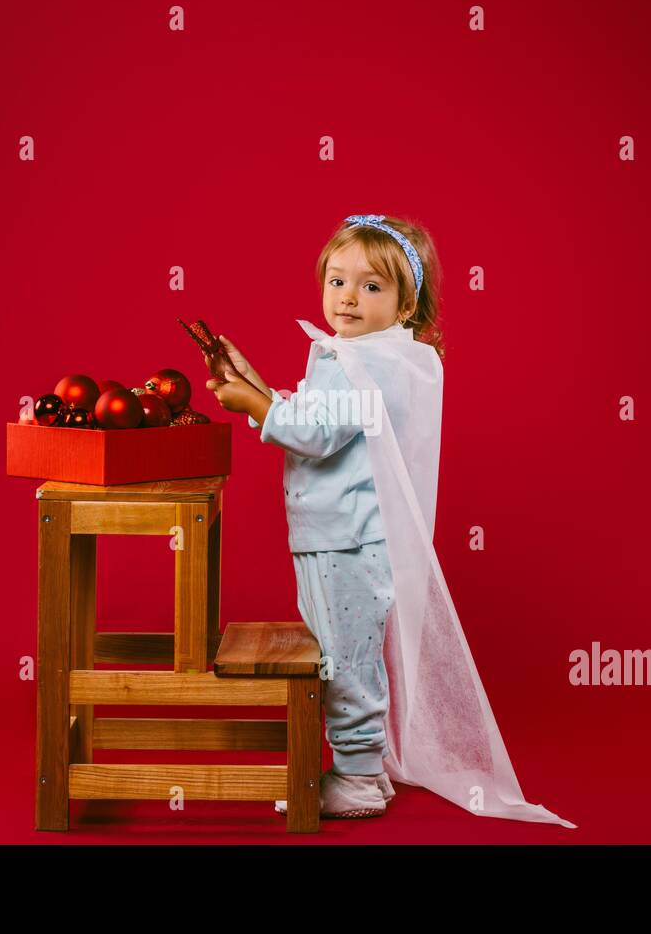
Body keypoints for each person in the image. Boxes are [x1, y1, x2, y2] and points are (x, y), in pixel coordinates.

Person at [207, 214, 576, 828]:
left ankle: (354, 778)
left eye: (372, 287)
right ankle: (366, 765)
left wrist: (252, 402)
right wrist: (259, 390)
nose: (348, 297)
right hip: (341, 536)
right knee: (346, 653)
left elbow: (317, 432)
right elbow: (313, 414)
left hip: (346, 540)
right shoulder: (367, 356)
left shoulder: (370, 364)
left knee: (343, 660)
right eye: (337, 280)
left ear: (407, 306)